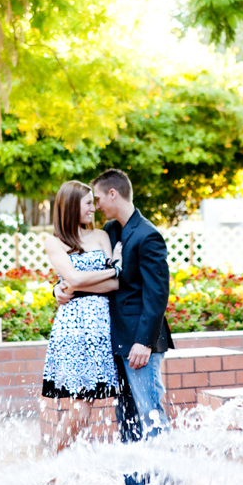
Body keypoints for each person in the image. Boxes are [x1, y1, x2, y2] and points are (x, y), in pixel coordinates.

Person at [56, 169, 173, 442]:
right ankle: (133, 470)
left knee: (150, 412)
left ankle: (165, 470)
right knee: (127, 416)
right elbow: (87, 271)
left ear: (113, 194)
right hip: (115, 339)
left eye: (97, 199)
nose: (96, 206)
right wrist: (58, 288)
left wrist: (144, 342)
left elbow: (157, 295)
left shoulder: (148, 235)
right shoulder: (109, 231)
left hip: (139, 342)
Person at [42, 180, 121, 453]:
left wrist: (75, 285)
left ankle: (62, 462)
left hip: (100, 327)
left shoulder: (100, 236)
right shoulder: (54, 241)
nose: (93, 208)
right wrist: (113, 269)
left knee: (86, 405)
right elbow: (74, 278)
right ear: (71, 205)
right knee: (82, 405)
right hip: (73, 329)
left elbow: (114, 286)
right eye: (88, 203)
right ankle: (54, 462)